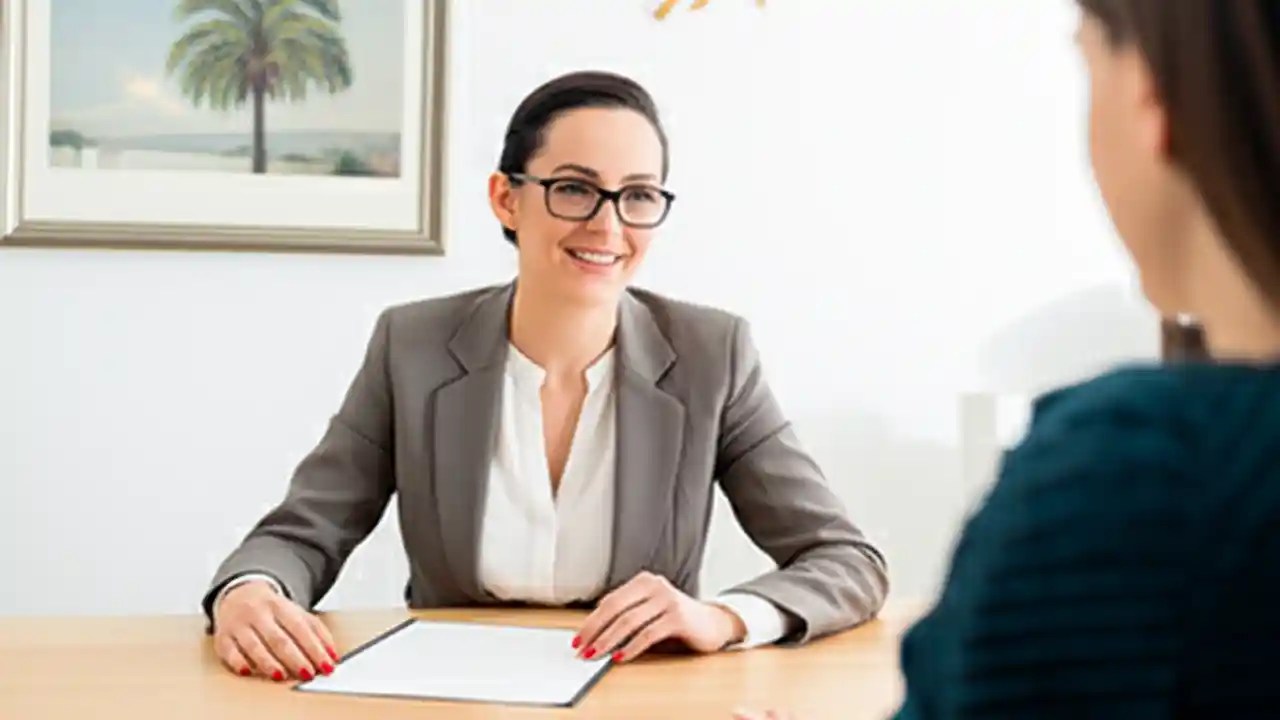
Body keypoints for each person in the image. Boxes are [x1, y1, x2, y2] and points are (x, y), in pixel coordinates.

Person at [204, 70, 889, 682]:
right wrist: (250, 592)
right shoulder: (410, 344)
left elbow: (845, 561)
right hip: (448, 693)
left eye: (638, 196)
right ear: (506, 198)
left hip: (641, 693)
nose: (608, 224)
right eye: (574, 189)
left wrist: (724, 618)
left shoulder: (713, 355)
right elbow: (302, 533)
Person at [736, 0, 1280, 717]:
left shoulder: (1141, 478)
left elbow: (844, 558)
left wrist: (732, 614)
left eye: (1087, 59)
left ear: (1151, 94)